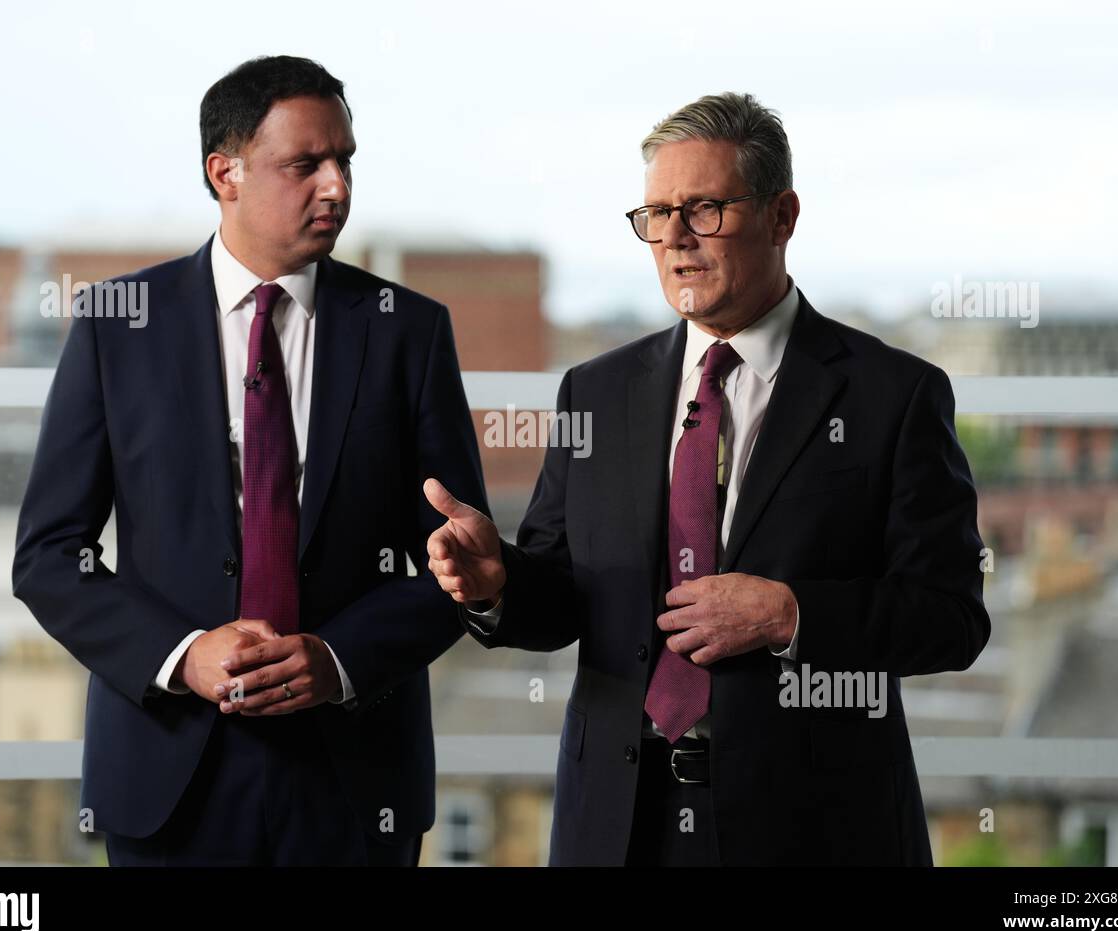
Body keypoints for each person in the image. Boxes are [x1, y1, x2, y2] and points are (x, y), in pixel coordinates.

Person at [424, 92, 990, 866]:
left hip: (817, 828)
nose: (676, 238)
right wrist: (497, 585)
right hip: (619, 823)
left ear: (782, 216)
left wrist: (791, 616)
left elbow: (951, 618)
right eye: (657, 214)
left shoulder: (893, 395)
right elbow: (561, 600)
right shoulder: (594, 393)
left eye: (705, 209)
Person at [13, 55, 488, 865]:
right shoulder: (117, 326)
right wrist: (182, 654)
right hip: (167, 775)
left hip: (354, 779)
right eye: (305, 165)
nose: (336, 186)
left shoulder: (407, 332)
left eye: (345, 161)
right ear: (224, 172)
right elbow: (49, 557)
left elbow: (458, 565)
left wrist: (337, 660)